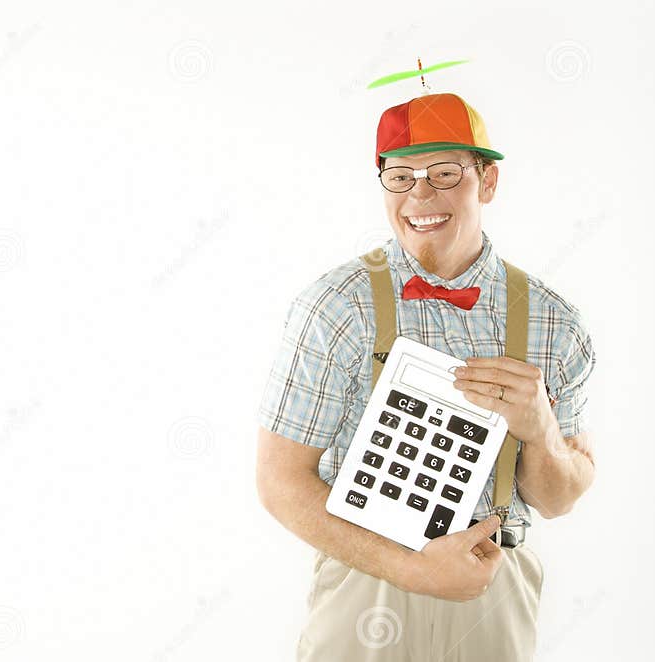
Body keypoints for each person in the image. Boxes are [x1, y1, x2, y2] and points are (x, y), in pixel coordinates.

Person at [255, 91, 596, 661]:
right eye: (401, 175)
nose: (420, 194)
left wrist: (540, 431)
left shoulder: (553, 320)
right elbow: (280, 482)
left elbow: (557, 499)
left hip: (495, 586)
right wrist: (411, 568)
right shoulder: (336, 308)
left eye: (444, 174)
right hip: (369, 589)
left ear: (487, 182)